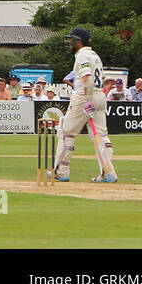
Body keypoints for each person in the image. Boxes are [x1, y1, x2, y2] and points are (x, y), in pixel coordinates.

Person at [48, 28, 117, 183]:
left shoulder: (82, 56)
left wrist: (87, 99)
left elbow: (87, 77)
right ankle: (108, 172)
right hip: (99, 95)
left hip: (85, 95)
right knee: (101, 135)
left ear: (78, 41)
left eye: (72, 40)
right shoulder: (95, 55)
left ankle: (62, 171)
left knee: (66, 132)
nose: (70, 43)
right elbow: (101, 79)